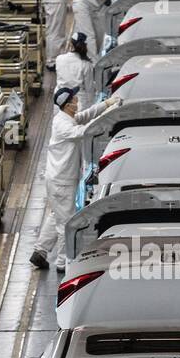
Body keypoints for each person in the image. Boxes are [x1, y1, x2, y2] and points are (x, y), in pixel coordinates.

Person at [31, 87, 121, 272]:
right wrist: (108, 114)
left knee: (57, 215)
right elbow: (85, 131)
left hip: (60, 178)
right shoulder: (63, 125)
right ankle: (63, 263)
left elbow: (85, 116)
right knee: (66, 222)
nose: (77, 100)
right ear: (67, 105)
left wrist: (105, 105)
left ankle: (40, 251)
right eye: (74, 99)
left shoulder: (66, 118)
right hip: (62, 180)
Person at [55, 31, 94, 97]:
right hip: (79, 100)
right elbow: (89, 89)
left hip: (60, 98)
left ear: (71, 44)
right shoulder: (86, 64)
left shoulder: (59, 59)